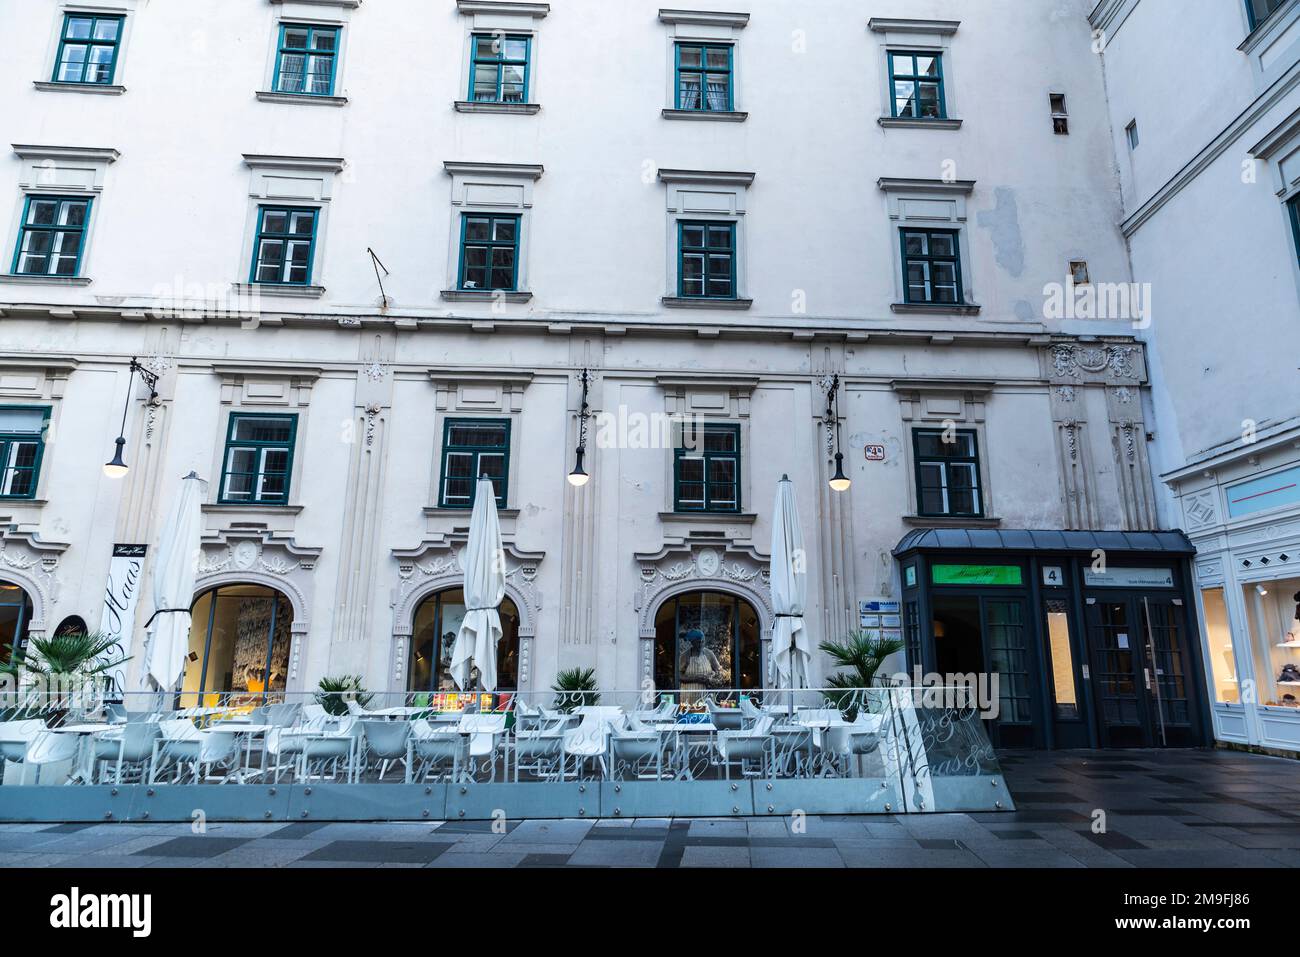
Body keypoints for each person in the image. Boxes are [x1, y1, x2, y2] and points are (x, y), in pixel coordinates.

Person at [679, 629, 721, 696]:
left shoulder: (709, 654)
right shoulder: (685, 655)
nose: (701, 644)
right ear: (692, 642)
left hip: (706, 695)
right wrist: (696, 679)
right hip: (689, 695)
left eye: (703, 641)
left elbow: (718, 671)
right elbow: (679, 676)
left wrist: (712, 676)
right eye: (698, 642)